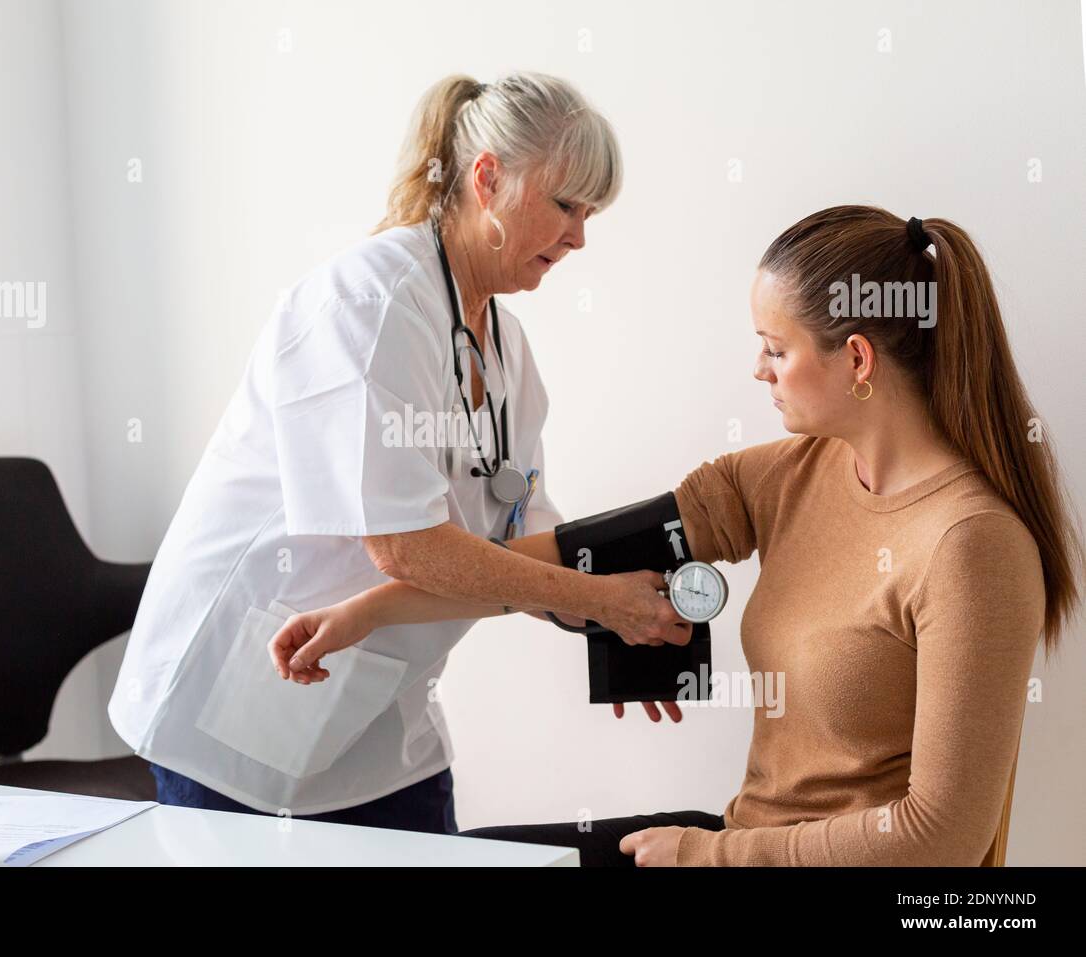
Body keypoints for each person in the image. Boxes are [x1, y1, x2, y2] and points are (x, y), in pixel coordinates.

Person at [270, 205, 1083, 864]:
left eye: (775, 348)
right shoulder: (791, 474)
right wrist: (371, 610)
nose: (758, 370)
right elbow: (572, 559)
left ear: (859, 360)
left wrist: (713, 856)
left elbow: (944, 839)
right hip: (736, 841)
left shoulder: (974, 546)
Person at [107, 72, 679, 834]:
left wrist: (617, 622)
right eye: (566, 205)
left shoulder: (505, 344)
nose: (579, 236)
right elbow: (404, 546)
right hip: (247, 688)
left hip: (381, 707)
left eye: (590, 212)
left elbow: (523, 531)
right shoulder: (368, 305)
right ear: (488, 179)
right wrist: (598, 600)